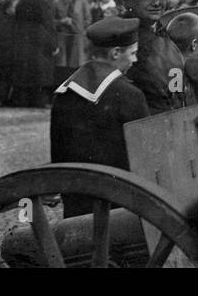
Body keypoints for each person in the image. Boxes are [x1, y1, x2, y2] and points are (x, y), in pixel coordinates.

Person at [49, 16, 150, 217]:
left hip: (76, 204)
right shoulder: (130, 95)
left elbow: (58, 154)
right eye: (133, 53)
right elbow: (145, 157)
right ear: (115, 53)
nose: (135, 59)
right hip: (120, 207)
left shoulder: (65, 92)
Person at [98, 0, 189, 115]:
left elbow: (175, 85)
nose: (156, 2)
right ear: (127, 0)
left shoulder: (162, 30)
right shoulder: (121, 37)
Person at [13, 0, 58, 108]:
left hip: (23, 39)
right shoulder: (42, 1)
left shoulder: (22, 0)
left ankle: (23, 101)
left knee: (26, 71)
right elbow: (48, 24)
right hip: (40, 40)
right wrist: (54, 44)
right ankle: (39, 101)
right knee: (40, 72)